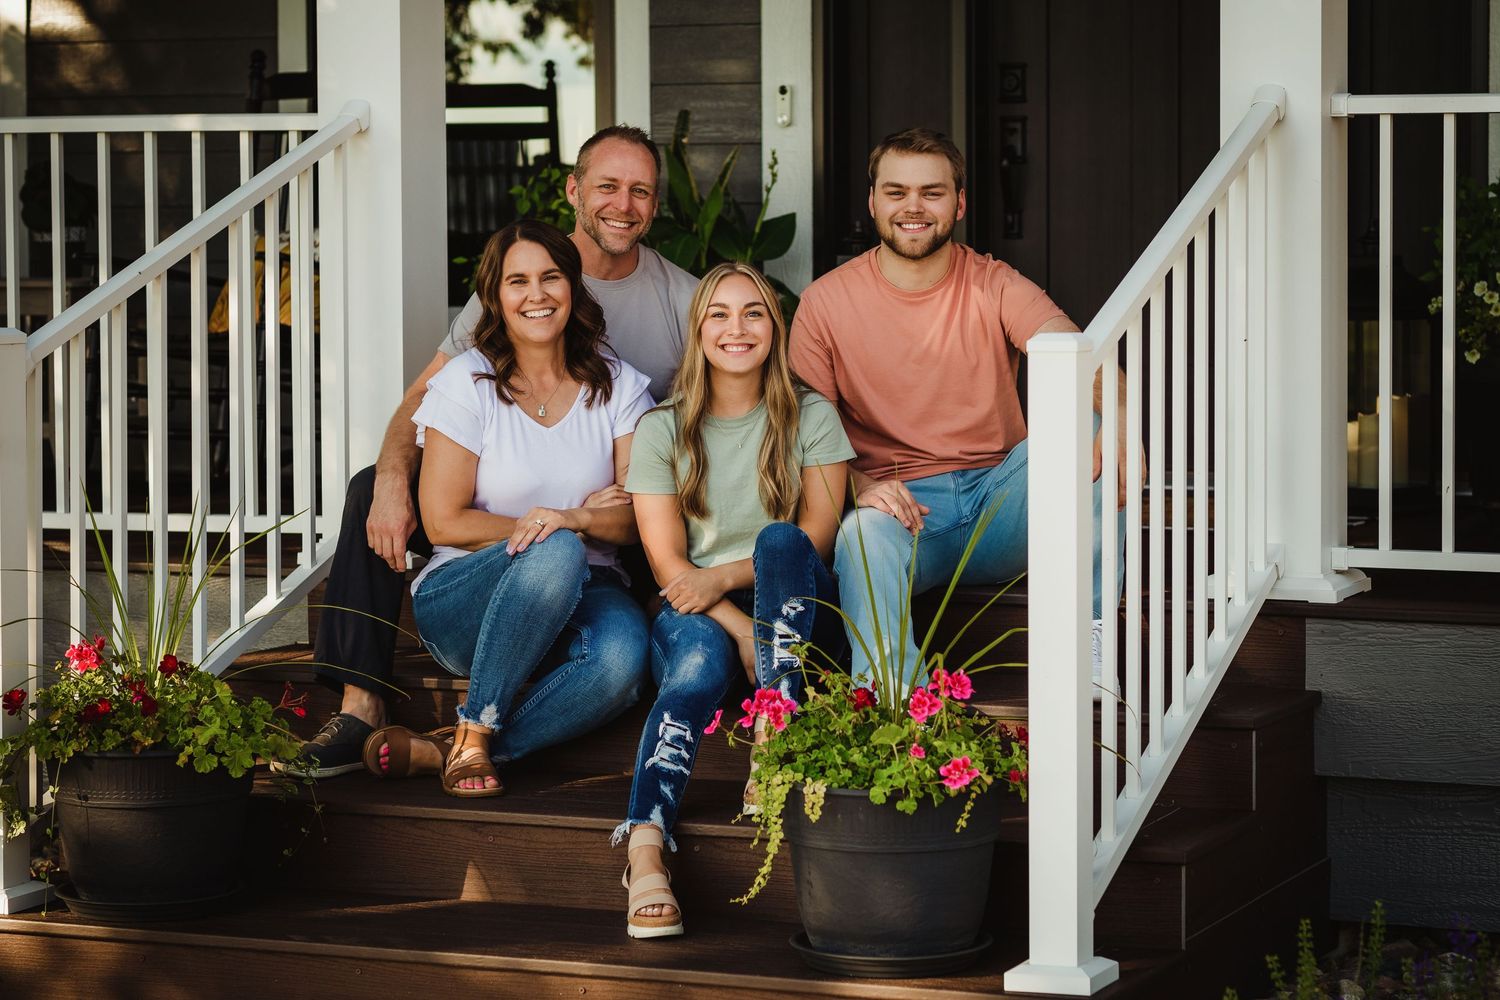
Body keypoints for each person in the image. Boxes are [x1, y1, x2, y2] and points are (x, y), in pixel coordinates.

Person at [283, 125, 697, 777]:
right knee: (372, 484)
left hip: (620, 527)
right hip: (492, 549)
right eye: (608, 186)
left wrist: (585, 521)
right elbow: (425, 405)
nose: (624, 203)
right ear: (575, 191)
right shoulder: (483, 350)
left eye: (641, 190)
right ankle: (362, 702)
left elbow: (664, 467)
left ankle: (460, 749)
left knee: (619, 646)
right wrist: (397, 475)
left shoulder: (677, 307)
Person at [787, 127, 1130, 696]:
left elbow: (1080, 358)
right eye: (896, 192)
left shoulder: (993, 283)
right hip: (903, 514)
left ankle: (1088, 655)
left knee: (1090, 428)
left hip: (1001, 500)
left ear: (960, 203)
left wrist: (1119, 415)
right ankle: (893, 704)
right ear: (872, 202)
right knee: (860, 537)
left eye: (932, 192)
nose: (913, 207)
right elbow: (802, 433)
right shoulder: (826, 302)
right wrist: (860, 481)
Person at [367, 219, 654, 796]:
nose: (537, 294)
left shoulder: (619, 386)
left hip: (591, 589)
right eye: (517, 281)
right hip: (468, 596)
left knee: (624, 663)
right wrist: (562, 526)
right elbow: (446, 520)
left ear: (573, 287)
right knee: (556, 550)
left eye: (551, 277)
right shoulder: (465, 382)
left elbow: (633, 518)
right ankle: (475, 727)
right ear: (495, 296)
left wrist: (569, 519)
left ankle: (460, 749)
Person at [617, 262, 853, 938]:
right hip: (699, 615)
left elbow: (816, 537)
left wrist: (720, 580)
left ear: (774, 330)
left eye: (753, 313)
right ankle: (645, 851)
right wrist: (738, 628)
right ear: (697, 331)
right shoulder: (662, 428)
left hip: (801, 612)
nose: (736, 328)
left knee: (782, 540)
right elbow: (667, 564)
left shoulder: (812, 416)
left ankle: (775, 736)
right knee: (692, 670)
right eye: (718, 314)